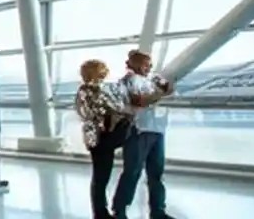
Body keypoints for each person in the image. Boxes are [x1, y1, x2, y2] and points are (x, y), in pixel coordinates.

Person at [112, 49, 177, 219]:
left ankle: (158, 210)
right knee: (132, 171)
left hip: (157, 130)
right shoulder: (128, 81)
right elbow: (139, 101)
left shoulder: (151, 80)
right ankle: (119, 210)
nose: (149, 67)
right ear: (135, 63)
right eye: (146, 64)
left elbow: (169, 90)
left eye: (150, 64)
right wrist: (160, 93)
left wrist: (163, 86)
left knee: (156, 173)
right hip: (139, 131)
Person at [74, 60, 129, 219]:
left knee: (101, 176)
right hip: (101, 137)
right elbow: (105, 109)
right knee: (101, 176)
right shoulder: (90, 90)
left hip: (100, 136)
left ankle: (101, 211)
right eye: (102, 70)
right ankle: (100, 212)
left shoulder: (91, 90)